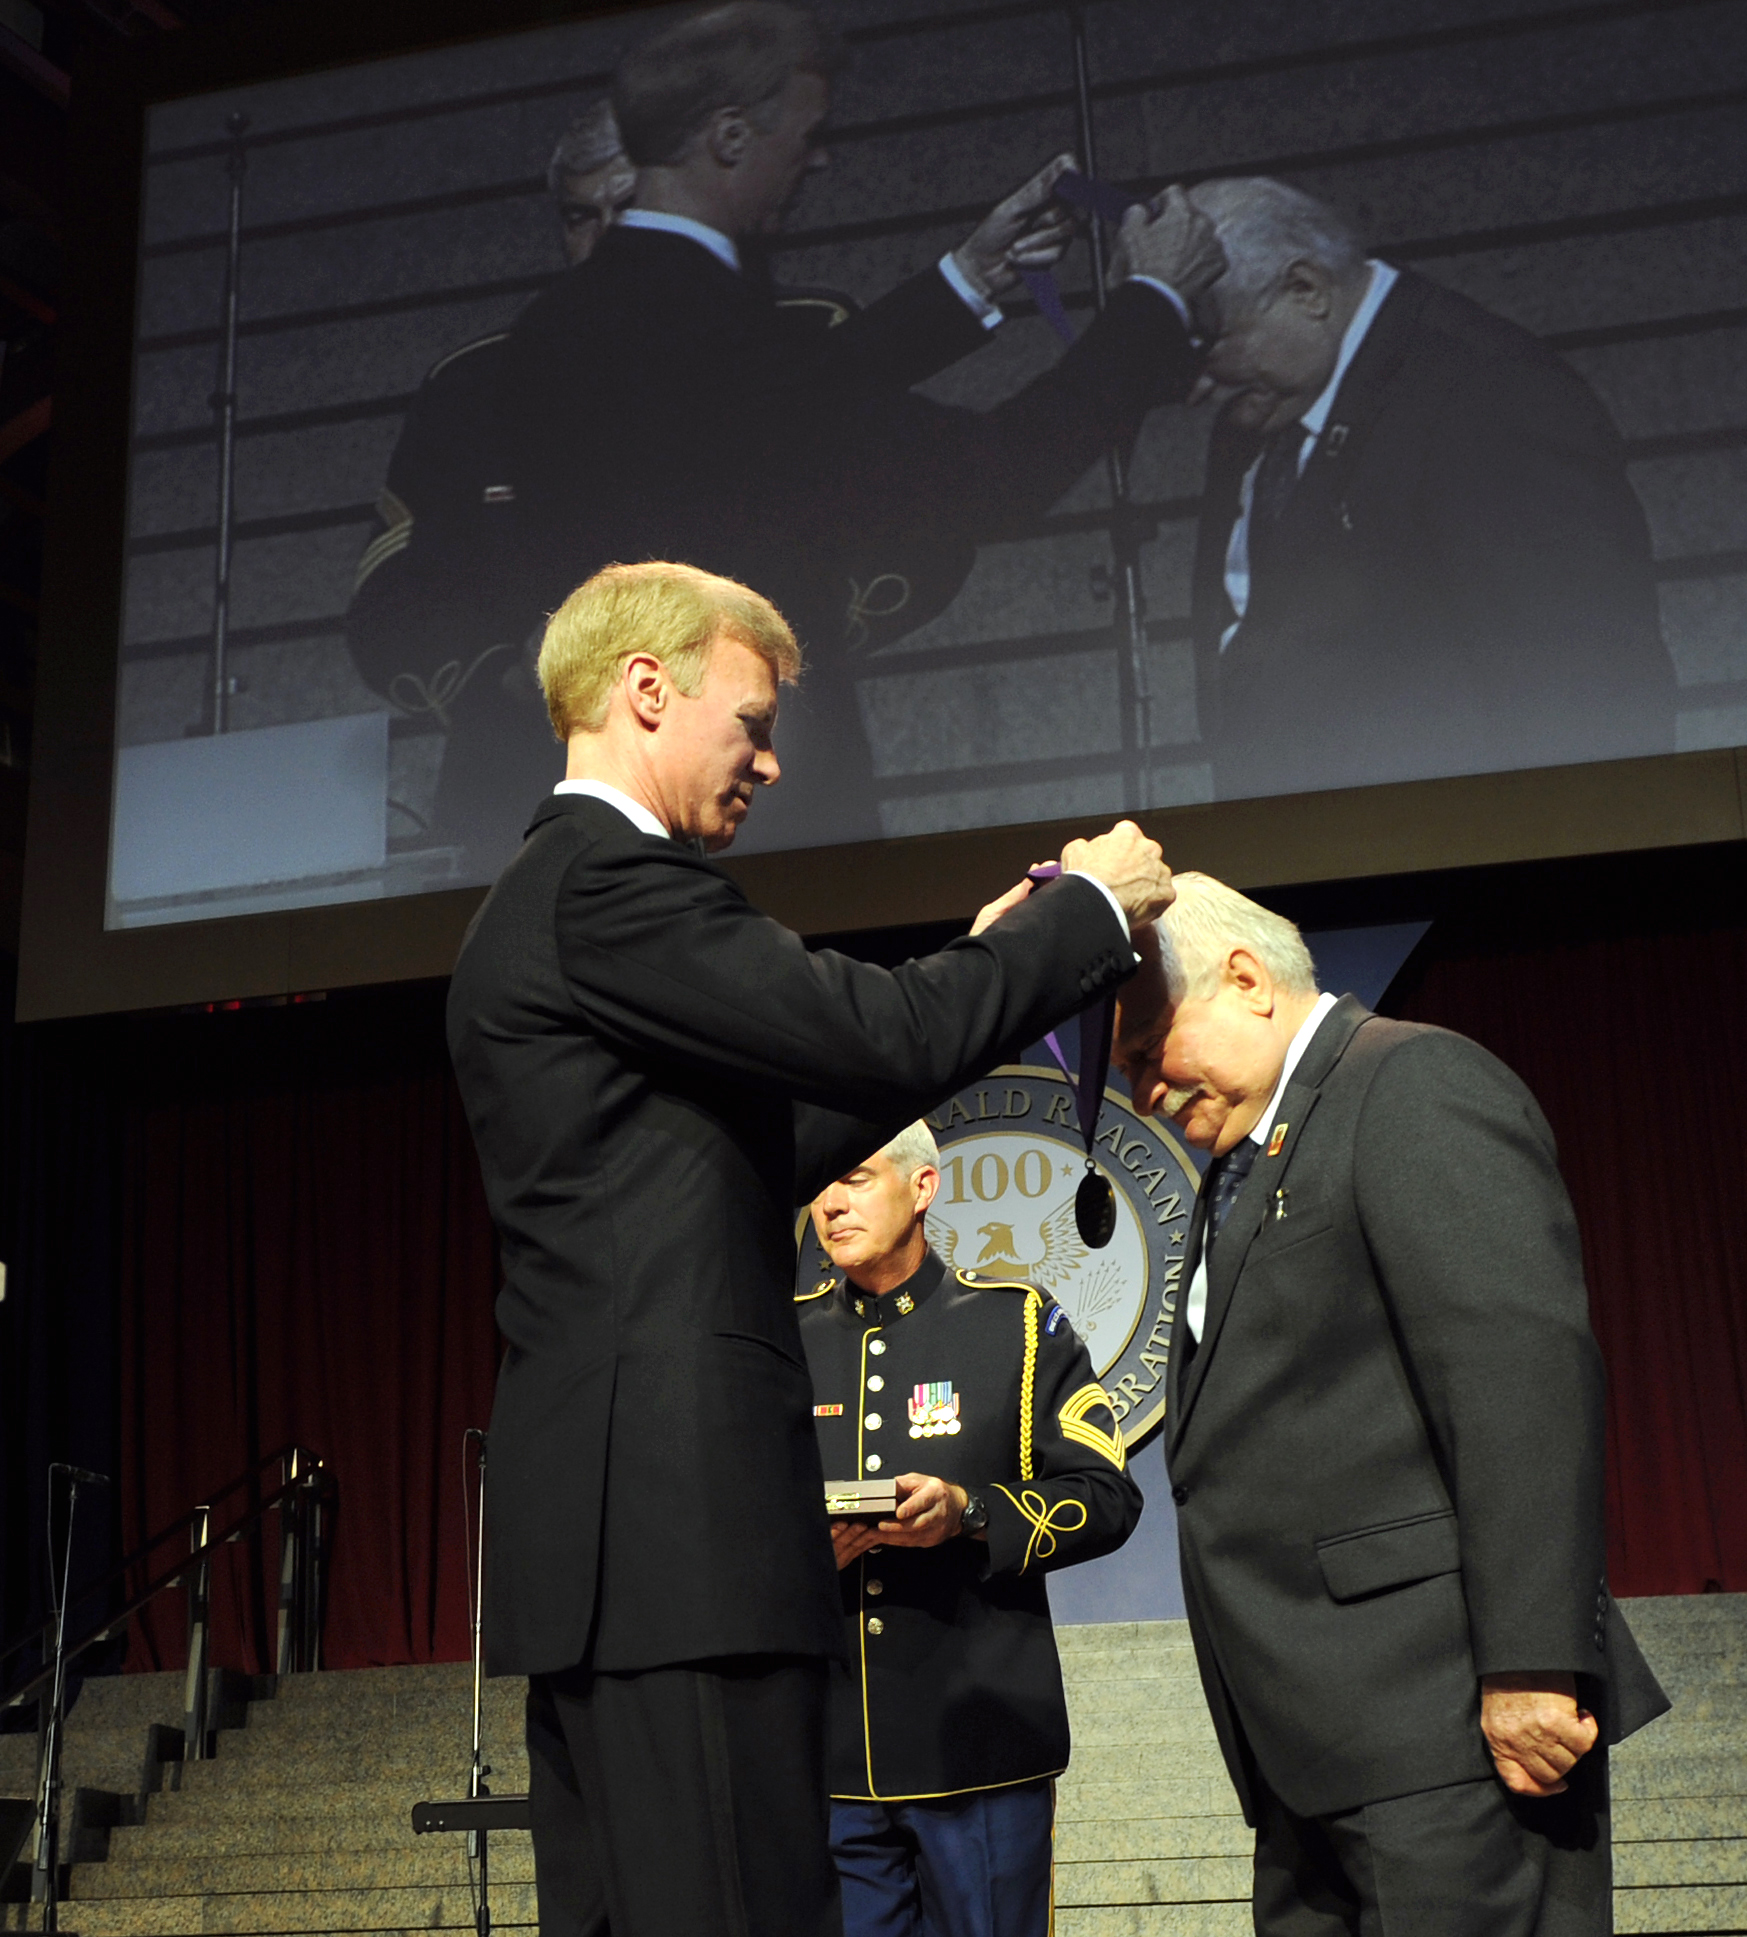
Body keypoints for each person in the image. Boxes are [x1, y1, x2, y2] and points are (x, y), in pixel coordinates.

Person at [446, 560, 1175, 1937]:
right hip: (682, 1550)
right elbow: (870, 1032)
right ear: (645, 691)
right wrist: (1086, 911)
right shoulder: (613, 882)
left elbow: (752, 1151)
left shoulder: (554, 901)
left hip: (630, 1555)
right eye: (756, 720)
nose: (772, 763)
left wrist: (976, 965)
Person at [488, 0, 1225, 856]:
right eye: (806, 135)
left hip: (616, 802)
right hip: (759, 819)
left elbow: (787, 395)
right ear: (730, 138)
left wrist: (970, 275)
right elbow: (992, 478)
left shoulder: (564, 322)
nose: (821, 158)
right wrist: (1153, 304)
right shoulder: (717, 333)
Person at [1109, 874, 1663, 1937]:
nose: (1142, 1092)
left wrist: (1532, 1665)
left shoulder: (1410, 1082)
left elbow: (1520, 1377)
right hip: (1313, 1752)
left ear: (1244, 977)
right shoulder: (1253, 1154)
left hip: (1447, 1732)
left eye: (1146, 1051)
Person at [1182, 178, 1671, 803]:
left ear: (1306, 290)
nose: (1195, 386)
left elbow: (1593, 684)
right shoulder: (1261, 412)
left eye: (1210, 343)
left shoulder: (1491, 394)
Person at [797, 1120, 1140, 1937]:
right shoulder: (783, 1335)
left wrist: (972, 1513)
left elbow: (1107, 1495)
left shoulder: (1018, 1322)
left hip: (981, 1751)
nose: (829, 1203)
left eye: (852, 1177)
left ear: (923, 1188)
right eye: (818, 1185)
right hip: (830, 1756)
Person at [343, 99, 641, 866]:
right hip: (513, 803)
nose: (605, 241)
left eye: (631, 210)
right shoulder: (471, 387)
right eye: (582, 217)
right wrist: (506, 672)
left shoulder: (775, 357)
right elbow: (388, 606)